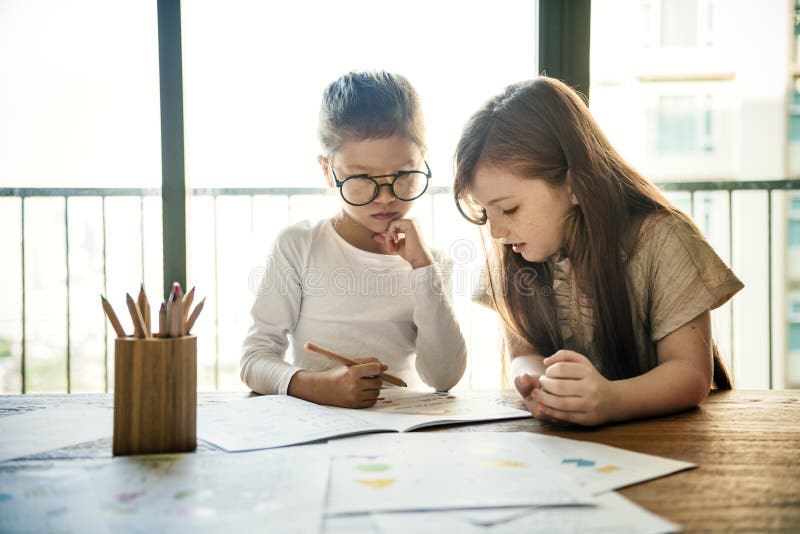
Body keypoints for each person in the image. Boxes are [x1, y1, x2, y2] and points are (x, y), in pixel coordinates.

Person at [453, 76, 743, 426]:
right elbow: (523, 352)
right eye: (486, 212)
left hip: (665, 439)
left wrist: (611, 400)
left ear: (576, 185)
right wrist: (534, 382)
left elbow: (691, 373)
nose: (496, 231)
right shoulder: (515, 251)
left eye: (510, 209)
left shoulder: (662, 238)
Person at [241, 70, 467, 408]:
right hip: (314, 428)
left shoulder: (430, 262)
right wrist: (316, 386)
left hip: (401, 433)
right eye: (361, 178)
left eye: (404, 175)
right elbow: (255, 359)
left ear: (423, 161)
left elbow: (444, 377)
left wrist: (422, 268)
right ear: (327, 172)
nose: (386, 197)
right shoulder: (300, 246)